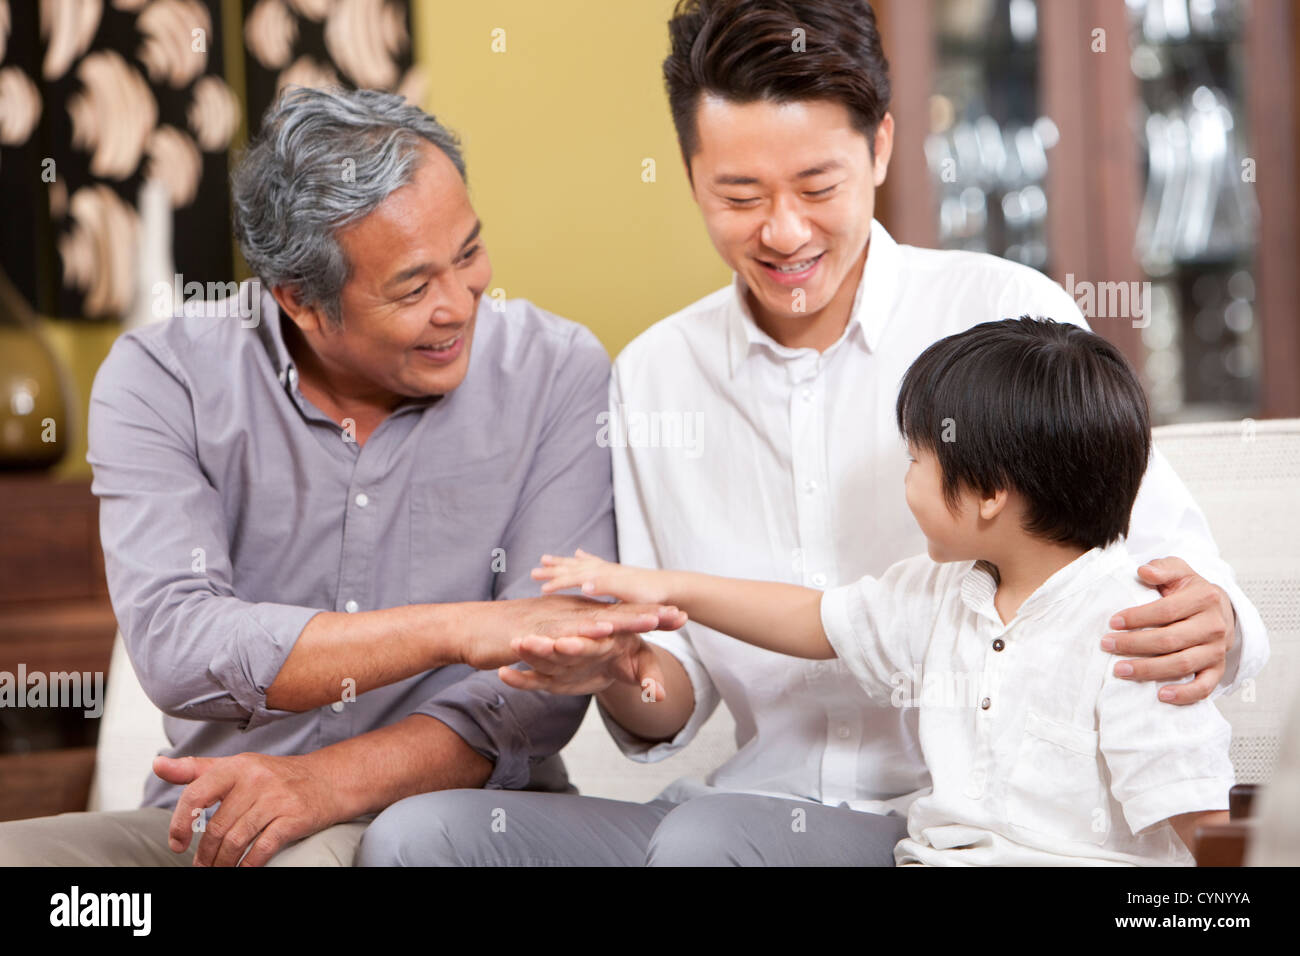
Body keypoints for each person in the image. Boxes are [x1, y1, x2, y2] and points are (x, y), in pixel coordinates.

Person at [357, 0, 1265, 867]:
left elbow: (1156, 571)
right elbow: (670, 695)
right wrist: (619, 667)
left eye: (816, 185)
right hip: (728, 817)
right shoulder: (655, 374)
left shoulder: (1003, 315)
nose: (783, 232)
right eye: (739, 194)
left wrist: (1214, 620)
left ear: (880, 146)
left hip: (943, 829)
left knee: (706, 847)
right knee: (419, 838)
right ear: (689, 177)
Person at [0, 86, 683, 867]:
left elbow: (529, 692)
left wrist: (323, 783)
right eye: (414, 287)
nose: (461, 305)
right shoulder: (167, 379)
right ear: (300, 301)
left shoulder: (554, 372)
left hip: (441, 826)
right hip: (206, 821)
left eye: (468, 254)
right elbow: (180, 646)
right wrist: (459, 627)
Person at [531, 317, 1235, 866]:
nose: (905, 484)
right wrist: (662, 586)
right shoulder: (940, 594)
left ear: (989, 492)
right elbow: (813, 620)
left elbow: (1197, 821)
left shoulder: (1135, 631)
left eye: (915, 461)